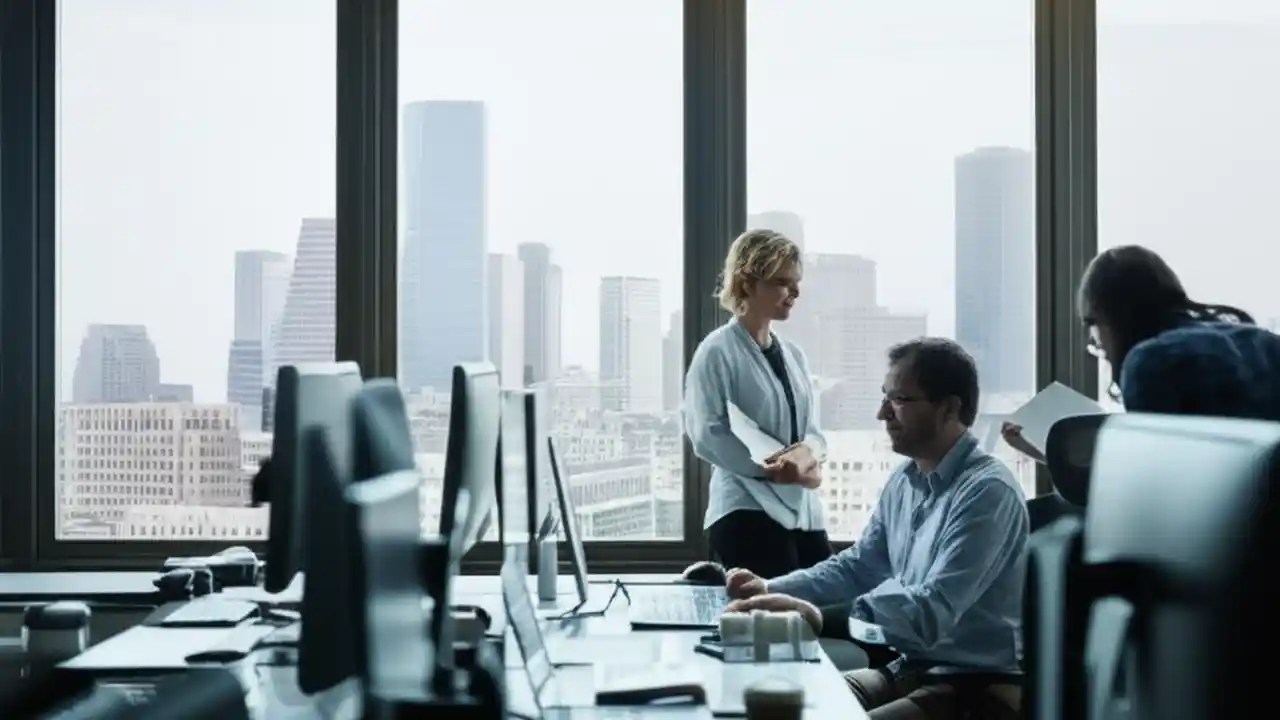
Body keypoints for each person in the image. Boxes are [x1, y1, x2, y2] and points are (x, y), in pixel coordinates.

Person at [723, 338, 1027, 720]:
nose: (883, 413)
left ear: (949, 408)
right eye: (885, 398)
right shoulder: (906, 479)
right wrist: (769, 590)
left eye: (899, 400)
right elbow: (859, 566)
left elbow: (930, 613)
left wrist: (823, 617)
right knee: (783, 706)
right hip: (912, 670)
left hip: (975, 687)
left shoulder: (987, 492)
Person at [1002, 244, 1280, 462]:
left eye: (1094, 329)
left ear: (1106, 318)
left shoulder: (1152, 363)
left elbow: (1160, 484)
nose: (1103, 349)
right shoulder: (1263, 342)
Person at [683, 228, 831, 579]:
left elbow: (813, 432)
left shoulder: (794, 355)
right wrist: (771, 470)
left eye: (796, 282)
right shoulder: (717, 351)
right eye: (782, 282)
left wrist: (808, 456)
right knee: (775, 616)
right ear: (748, 284)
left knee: (830, 607)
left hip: (803, 512)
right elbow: (706, 433)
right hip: (745, 509)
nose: (794, 292)